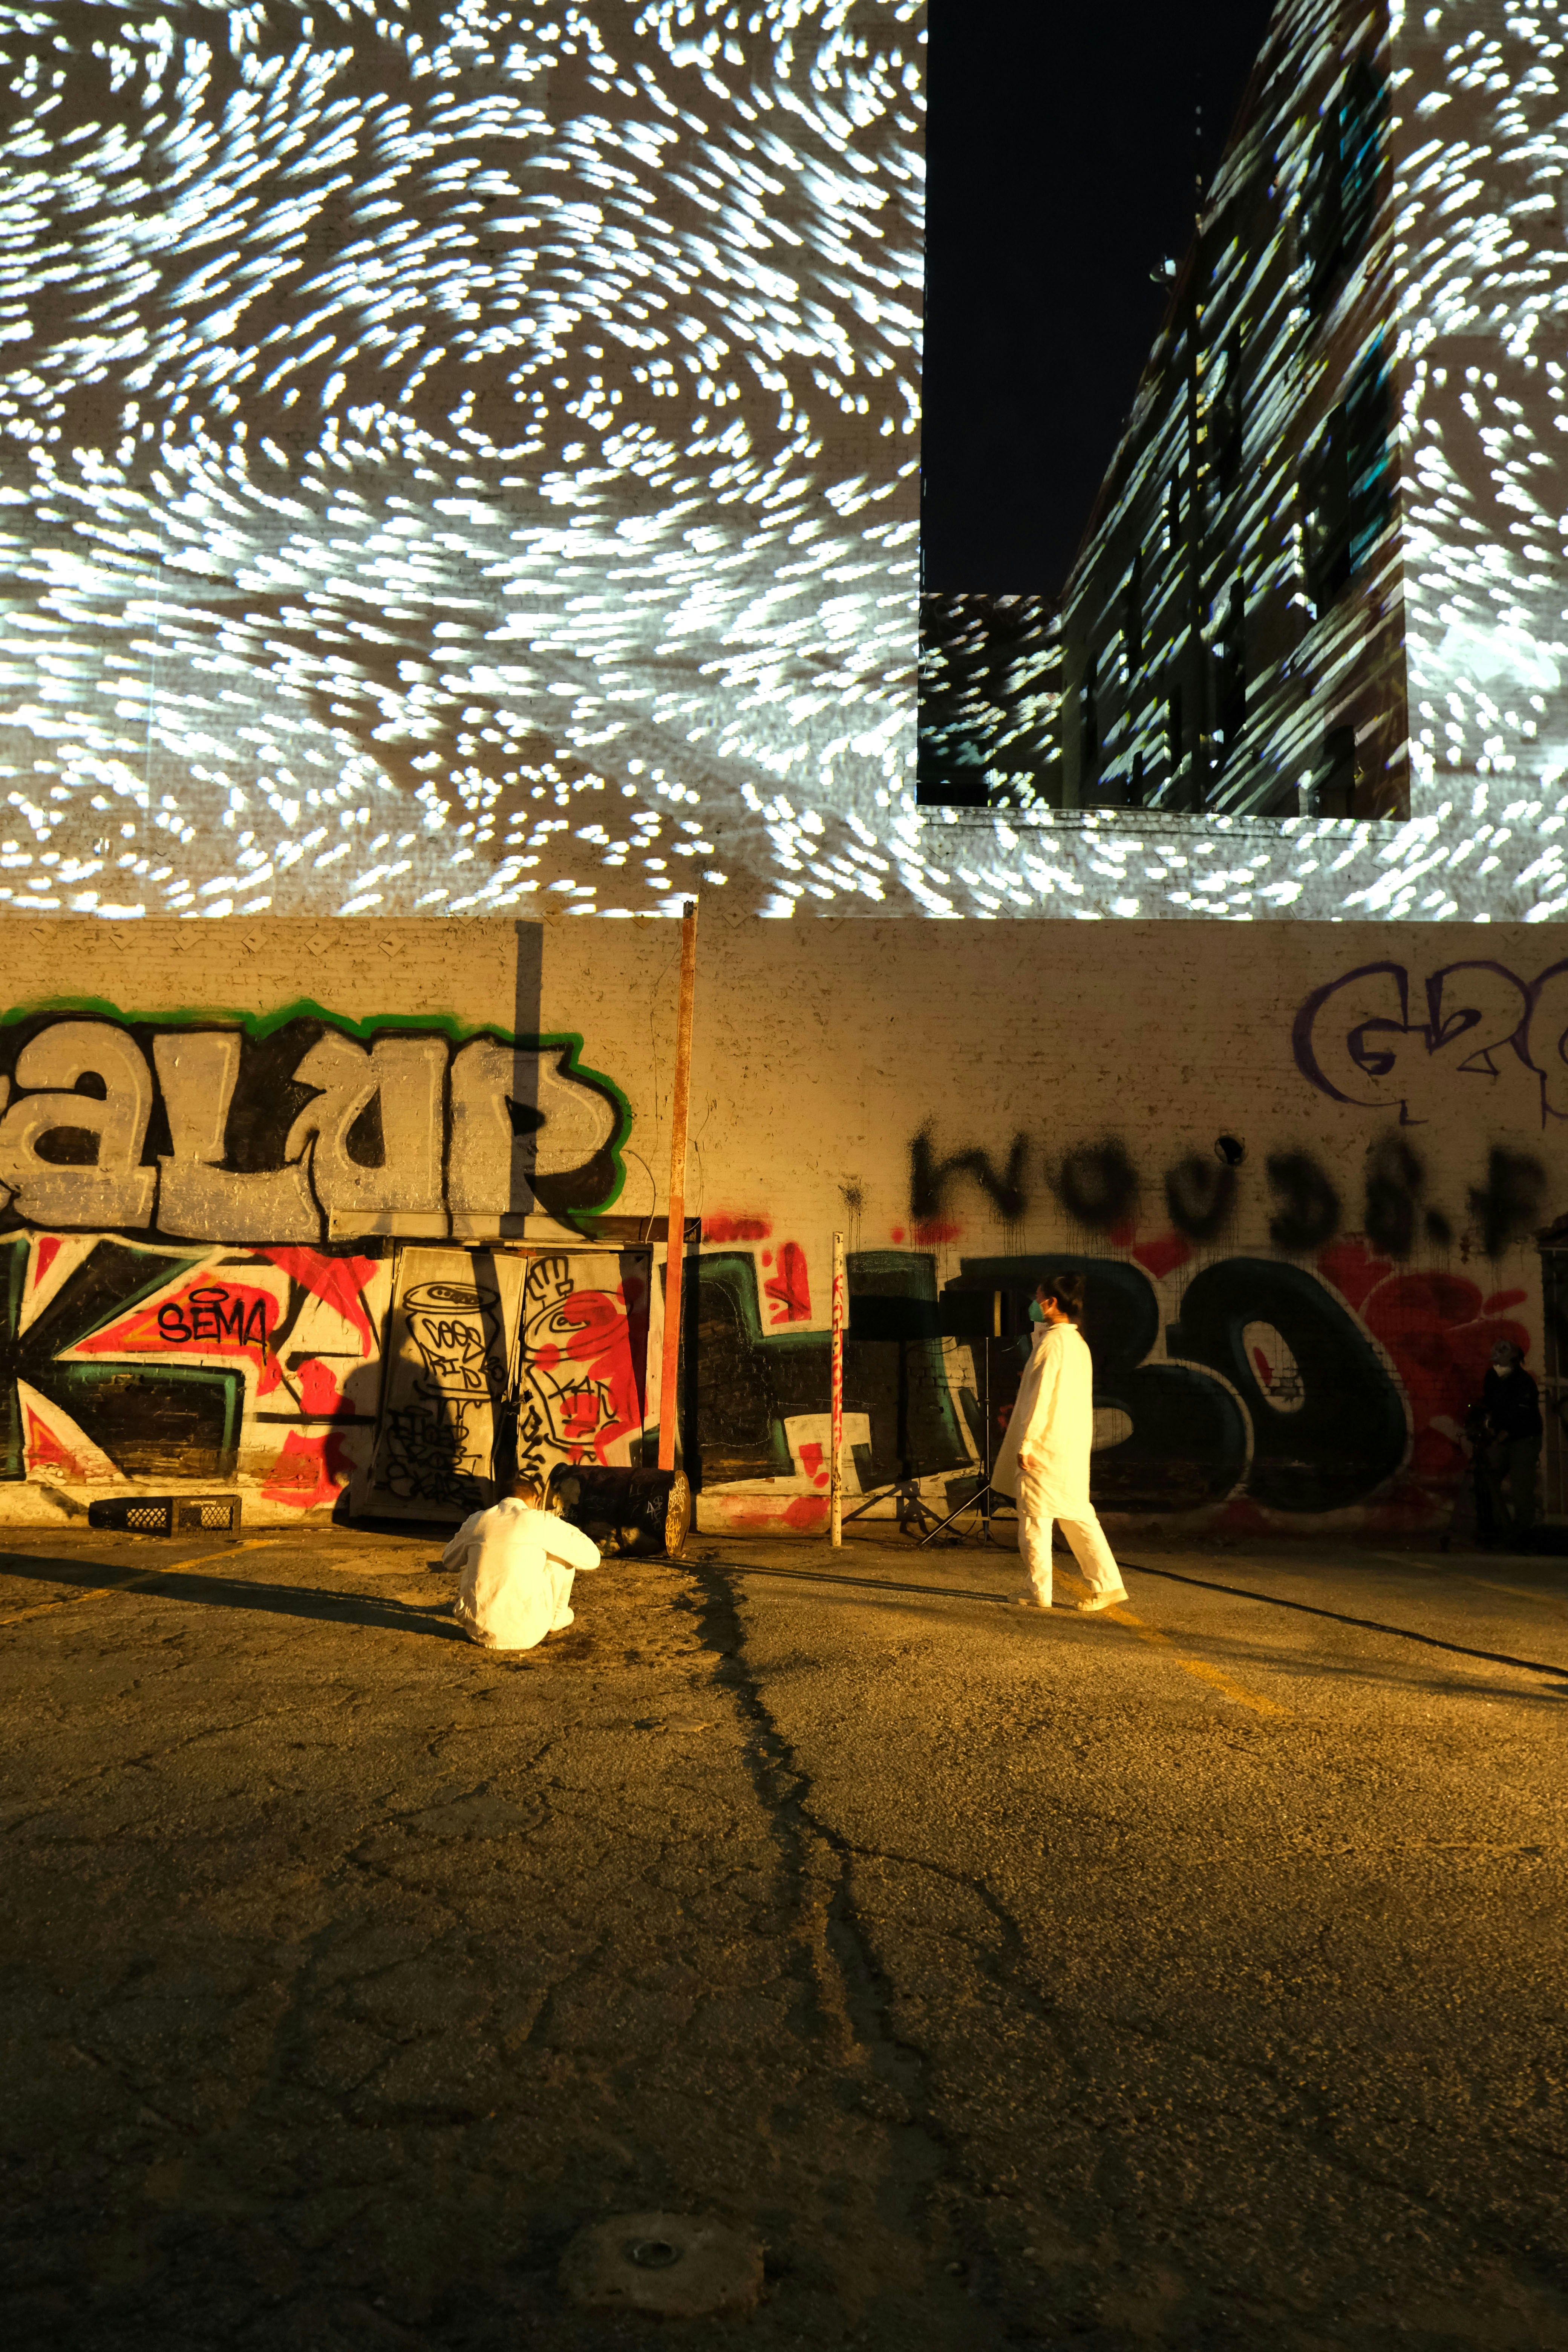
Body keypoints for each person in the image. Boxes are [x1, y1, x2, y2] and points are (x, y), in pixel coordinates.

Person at [991, 1272, 1129, 1615]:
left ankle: (1039, 1589)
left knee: (1035, 1519)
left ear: (1052, 1304)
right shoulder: (1075, 1343)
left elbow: (1040, 1398)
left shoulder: (1053, 1345)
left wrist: (1028, 1442)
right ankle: (1107, 1584)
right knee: (1079, 1517)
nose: (1034, 1305)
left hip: (1044, 1447)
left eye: (1039, 1299)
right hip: (1068, 1447)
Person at [441, 1472, 602, 1650]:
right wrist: (565, 1529)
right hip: (531, 1632)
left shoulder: (477, 1520)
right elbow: (592, 1558)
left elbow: (449, 1560)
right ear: (537, 1501)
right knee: (561, 1555)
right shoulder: (539, 1520)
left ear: (500, 1500)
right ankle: (558, 1617)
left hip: (478, 1632)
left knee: (476, 1558)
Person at [1481, 1340, 1543, 1551]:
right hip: (1503, 1436)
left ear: (1514, 1362)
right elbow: (1488, 1403)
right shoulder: (1492, 1377)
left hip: (1524, 1438)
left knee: (1521, 1485)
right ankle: (1495, 1527)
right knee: (1489, 1479)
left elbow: (1520, 1418)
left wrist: (1498, 1437)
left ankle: (1523, 1533)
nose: (1498, 1367)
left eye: (1502, 1363)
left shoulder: (1524, 1383)